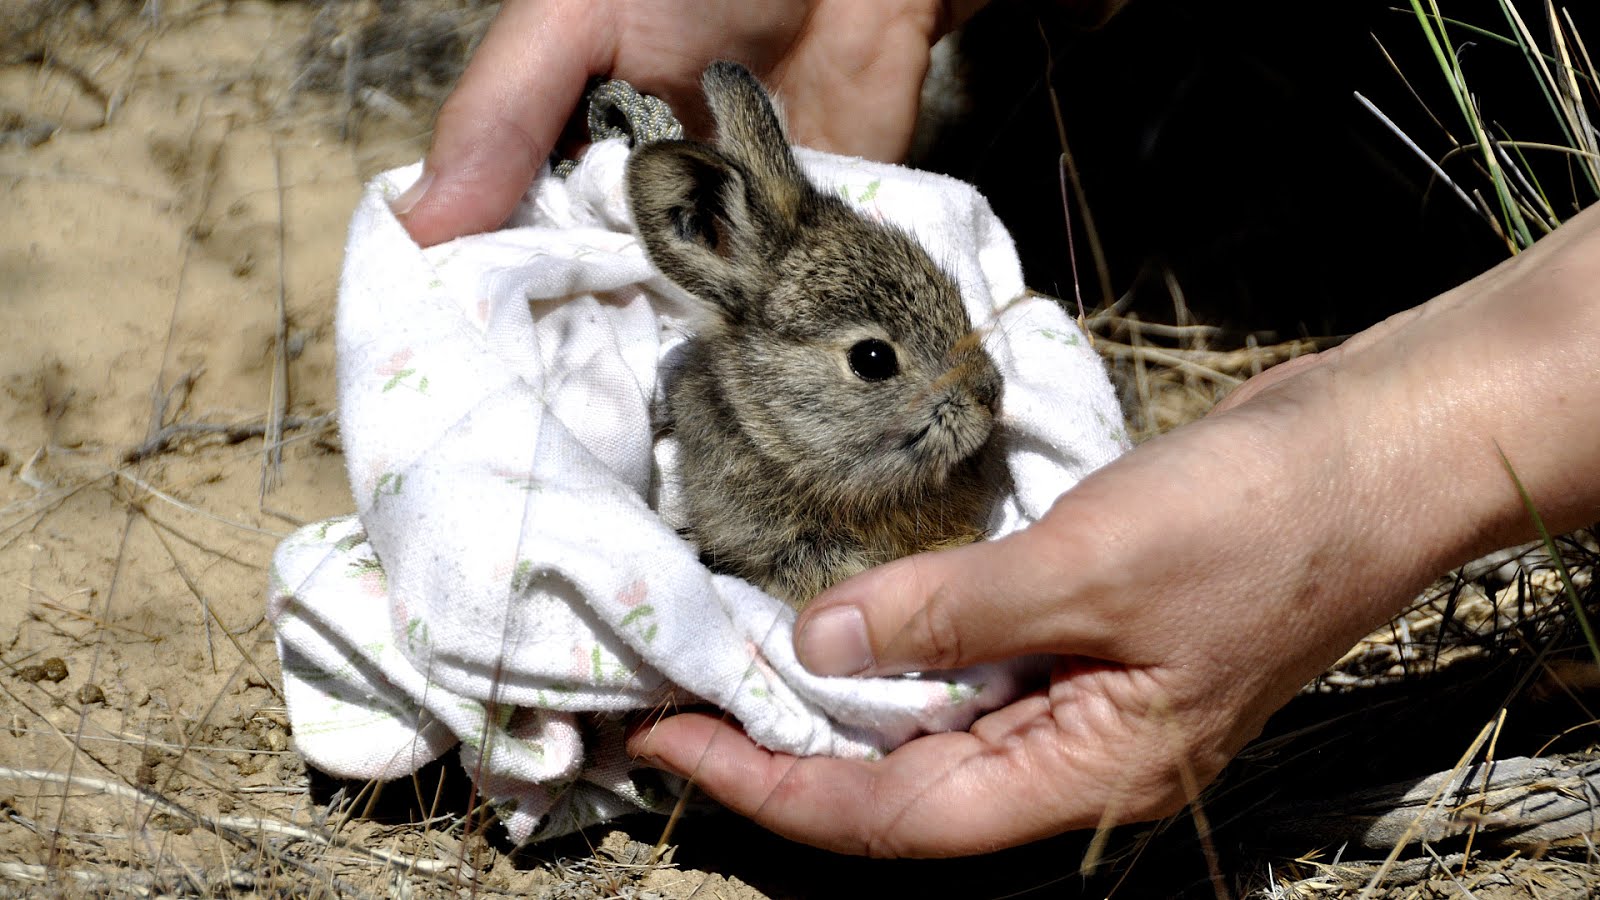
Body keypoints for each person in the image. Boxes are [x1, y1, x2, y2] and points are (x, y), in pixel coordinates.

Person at [396, 0, 1600, 857]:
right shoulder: (712, 411)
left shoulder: (955, 442)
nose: (980, 404)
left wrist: (1384, 463)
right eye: (877, 366)